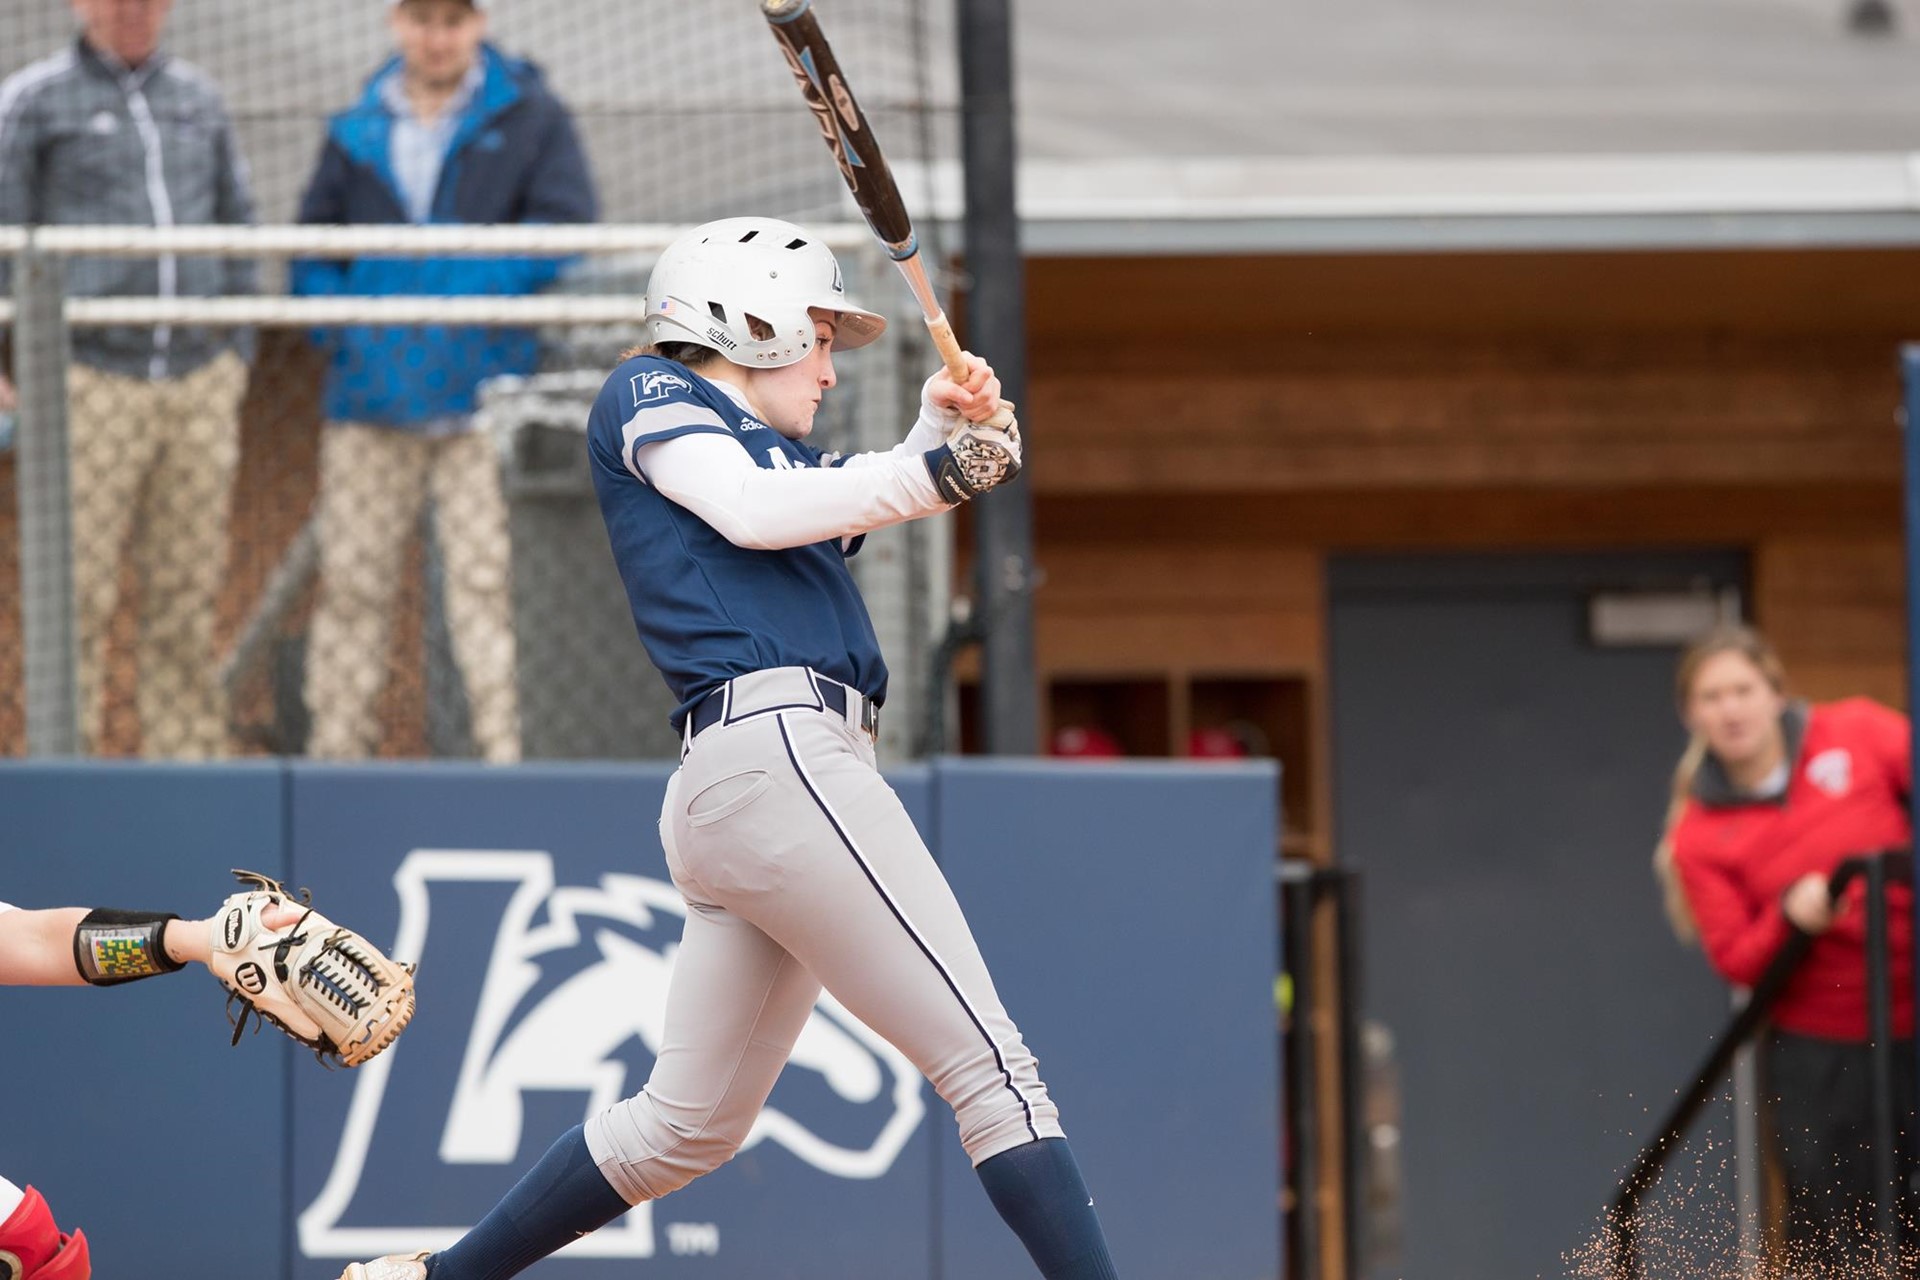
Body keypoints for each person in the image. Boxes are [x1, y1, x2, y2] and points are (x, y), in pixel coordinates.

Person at [337, 217, 1118, 1280]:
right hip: (780, 755)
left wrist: (928, 437)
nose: (832, 369)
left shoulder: (764, 452)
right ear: (746, 323)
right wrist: (939, 477)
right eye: (818, 339)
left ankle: (440, 1277)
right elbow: (752, 509)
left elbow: (809, 503)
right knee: (993, 1067)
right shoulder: (652, 395)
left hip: (754, 782)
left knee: (685, 1126)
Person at [291, 0, 595, 763]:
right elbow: (307, 252)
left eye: (452, 21)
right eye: (422, 19)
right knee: (353, 591)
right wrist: (354, 328)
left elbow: (563, 228)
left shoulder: (531, 116)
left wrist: (462, 294)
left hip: (482, 401)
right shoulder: (354, 126)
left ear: (479, 23)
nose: (436, 37)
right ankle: (338, 759)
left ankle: (504, 763)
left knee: (486, 594)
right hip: (371, 403)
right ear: (397, 23)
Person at [0, 0, 256, 758]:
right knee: (75, 592)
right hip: (87, 377)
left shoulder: (200, 100)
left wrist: (235, 350)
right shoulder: (35, 100)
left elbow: (240, 228)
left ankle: (188, 771)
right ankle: (63, 767)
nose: (133, 13)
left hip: (196, 377)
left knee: (186, 590)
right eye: (116, 1)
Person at [1655, 625, 1916, 1272]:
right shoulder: (1699, 835)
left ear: (1775, 692)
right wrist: (1788, 916)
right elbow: (1738, 960)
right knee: (1834, 1234)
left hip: (1913, 1008)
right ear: (1691, 715)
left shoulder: (1857, 730)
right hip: (1821, 1054)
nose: (1731, 709)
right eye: (1711, 697)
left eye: (1742, 689)